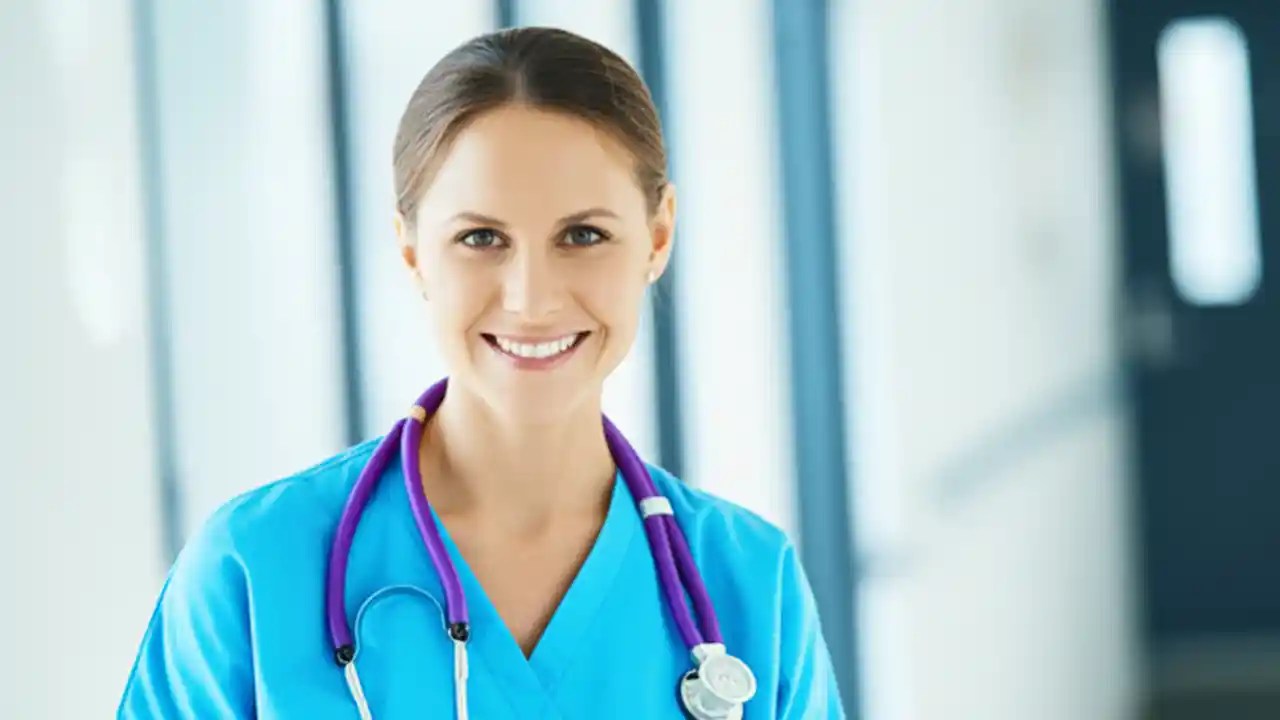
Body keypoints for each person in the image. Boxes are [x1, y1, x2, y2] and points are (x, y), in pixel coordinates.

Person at [119, 26, 845, 719]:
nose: (532, 298)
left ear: (657, 236)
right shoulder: (254, 571)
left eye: (584, 235)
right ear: (411, 252)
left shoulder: (747, 582)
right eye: (481, 238)